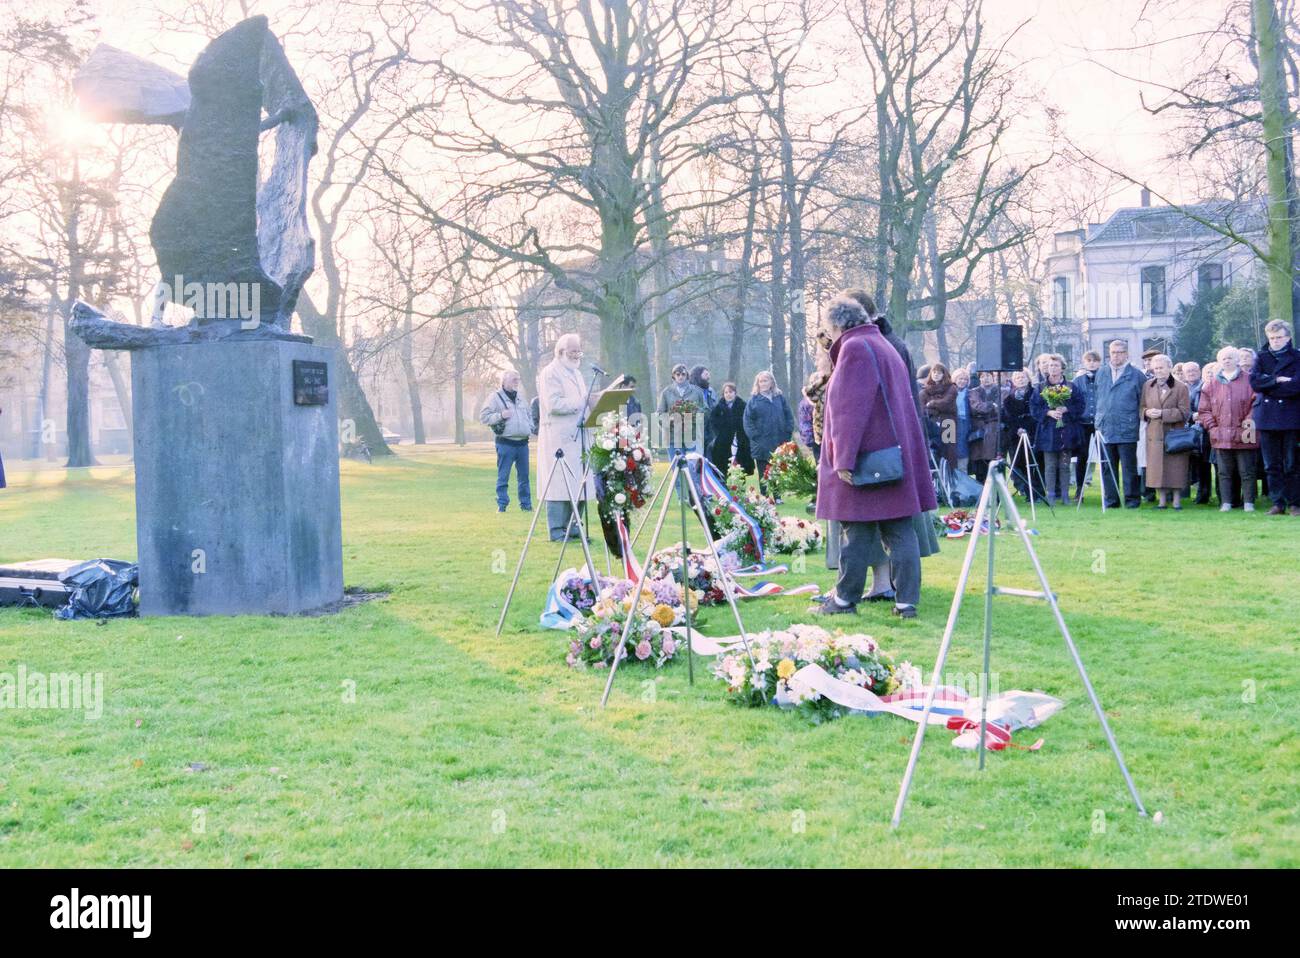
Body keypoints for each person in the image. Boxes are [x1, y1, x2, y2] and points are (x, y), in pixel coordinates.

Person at [813, 295, 937, 619]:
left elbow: (848, 410)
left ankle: (844, 599)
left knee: (855, 532)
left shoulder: (854, 348)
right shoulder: (883, 344)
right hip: (894, 458)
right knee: (899, 531)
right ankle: (906, 602)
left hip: (868, 460)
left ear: (837, 325)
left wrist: (843, 459)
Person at [538, 333, 598, 541]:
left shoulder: (577, 373)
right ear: (561, 351)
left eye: (578, 351)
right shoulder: (550, 373)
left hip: (580, 434)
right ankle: (556, 530)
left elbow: (581, 401)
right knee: (559, 483)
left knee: (579, 483)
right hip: (559, 436)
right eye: (573, 351)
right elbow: (553, 404)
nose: (577, 355)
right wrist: (581, 402)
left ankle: (574, 526)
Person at [1199, 347, 1259, 512]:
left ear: (1237, 360)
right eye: (1223, 358)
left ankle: (1248, 503)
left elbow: (1256, 404)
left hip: (1245, 434)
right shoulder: (1210, 384)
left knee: (1247, 471)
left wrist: (1248, 423)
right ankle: (1226, 503)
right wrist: (1212, 427)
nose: (1227, 360)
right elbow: (1204, 410)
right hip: (1221, 436)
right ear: (1219, 361)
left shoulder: (1250, 380)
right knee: (1224, 473)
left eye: (1230, 357)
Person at [1250, 319, 1300, 515]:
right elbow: (1254, 383)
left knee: (1291, 463)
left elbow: (1296, 386)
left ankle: (1295, 503)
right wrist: (1278, 380)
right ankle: (1278, 503)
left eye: (1279, 337)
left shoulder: (1297, 357)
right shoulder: (1261, 357)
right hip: (1267, 417)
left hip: (1290, 417)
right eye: (1272, 338)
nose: (1275, 341)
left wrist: (1269, 384)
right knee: (1271, 464)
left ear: (1288, 337)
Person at [1095, 339, 1146, 508]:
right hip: (1105, 427)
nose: (1116, 355)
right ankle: (1111, 500)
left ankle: (1132, 501)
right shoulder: (1101, 373)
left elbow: (1143, 401)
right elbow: (1098, 398)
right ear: (1109, 353)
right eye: (1113, 352)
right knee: (1107, 468)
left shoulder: (1136, 375)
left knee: (1129, 468)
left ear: (1126, 354)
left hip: (1127, 427)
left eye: (1120, 352)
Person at [1140, 353, 1192, 509]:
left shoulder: (1181, 387)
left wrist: (1163, 414)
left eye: (1161, 367)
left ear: (1170, 367)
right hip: (1154, 433)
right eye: (1155, 368)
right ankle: (1161, 501)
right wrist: (1146, 413)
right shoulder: (1147, 385)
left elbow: (1185, 412)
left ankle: (1176, 501)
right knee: (1157, 469)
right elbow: (1141, 407)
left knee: (1175, 467)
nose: (1158, 371)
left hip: (1174, 434)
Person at [479, 369, 534, 513]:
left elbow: (529, 415)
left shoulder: (521, 397)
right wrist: (500, 415)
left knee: (524, 477)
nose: (517, 382)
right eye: (513, 379)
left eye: (518, 379)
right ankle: (502, 505)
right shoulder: (494, 397)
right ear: (504, 381)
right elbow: (484, 417)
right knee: (503, 476)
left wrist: (530, 427)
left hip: (523, 443)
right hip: (505, 443)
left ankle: (526, 506)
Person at [1029, 356, 1083, 503]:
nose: (1053, 368)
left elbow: (1080, 406)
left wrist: (1066, 409)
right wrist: (1048, 412)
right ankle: (1051, 495)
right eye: (1051, 365)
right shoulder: (1040, 387)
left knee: (1065, 465)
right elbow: (1034, 408)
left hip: (1066, 431)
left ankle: (1065, 495)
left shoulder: (1071, 387)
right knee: (1050, 465)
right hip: (1048, 432)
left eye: (1056, 365)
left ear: (1062, 368)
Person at [743, 370, 795, 496]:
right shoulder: (754, 400)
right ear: (758, 384)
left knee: (777, 469)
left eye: (766, 380)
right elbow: (747, 420)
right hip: (761, 442)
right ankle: (765, 496)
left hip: (779, 440)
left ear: (771, 382)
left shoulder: (779, 398)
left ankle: (777, 496)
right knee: (763, 471)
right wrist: (755, 436)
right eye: (761, 381)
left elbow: (789, 415)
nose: (763, 383)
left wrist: (788, 431)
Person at [657, 363, 707, 458]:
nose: (680, 377)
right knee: (677, 469)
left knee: (692, 468)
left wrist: (694, 414)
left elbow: (706, 410)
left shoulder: (697, 391)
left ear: (687, 376)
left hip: (692, 436)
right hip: (673, 437)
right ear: (673, 376)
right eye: (678, 374)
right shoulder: (666, 392)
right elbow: (659, 414)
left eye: (683, 374)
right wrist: (670, 419)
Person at [705, 381, 752, 476]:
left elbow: (747, 422)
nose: (728, 395)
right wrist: (720, 434)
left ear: (735, 393)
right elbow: (713, 423)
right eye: (726, 392)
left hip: (740, 442)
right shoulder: (718, 408)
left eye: (730, 392)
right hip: (723, 444)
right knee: (723, 471)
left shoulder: (743, 406)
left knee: (740, 471)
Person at [1072, 351, 1101, 496]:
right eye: (1089, 360)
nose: (1092, 363)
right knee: (1082, 457)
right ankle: (1079, 489)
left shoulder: (1104, 378)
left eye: (1095, 360)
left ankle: (1108, 491)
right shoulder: (1078, 381)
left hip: (1099, 423)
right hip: (1083, 423)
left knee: (1104, 456)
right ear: (1084, 362)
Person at [921, 363, 958, 469]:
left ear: (944, 374)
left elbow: (946, 403)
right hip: (932, 424)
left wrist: (932, 404)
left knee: (949, 452)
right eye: (934, 372)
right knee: (934, 450)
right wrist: (935, 409)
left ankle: (951, 475)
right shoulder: (924, 391)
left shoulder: (951, 388)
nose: (936, 375)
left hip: (948, 423)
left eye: (939, 372)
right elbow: (923, 409)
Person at [967, 371, 1001, 483]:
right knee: (980, 463)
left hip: (994, 430)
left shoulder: (1000, 390)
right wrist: (992, 405)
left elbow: (1000, 408)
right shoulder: (973, 392)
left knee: (995, 462)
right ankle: (981, 492)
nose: (985, 378)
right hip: (978, 431)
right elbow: (977, 407)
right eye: (982, 376)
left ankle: (997, 494)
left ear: (993, 377)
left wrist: (987, 407)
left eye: (988, 376)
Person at [952, 367, 973, 475]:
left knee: (962, 449)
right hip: (950, 423)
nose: (963, 381)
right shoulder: (949, 391)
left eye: (965, 379)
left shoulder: (969, 393)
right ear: (955, 379)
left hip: (964, 423)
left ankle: (963, 474)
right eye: (960, 378)